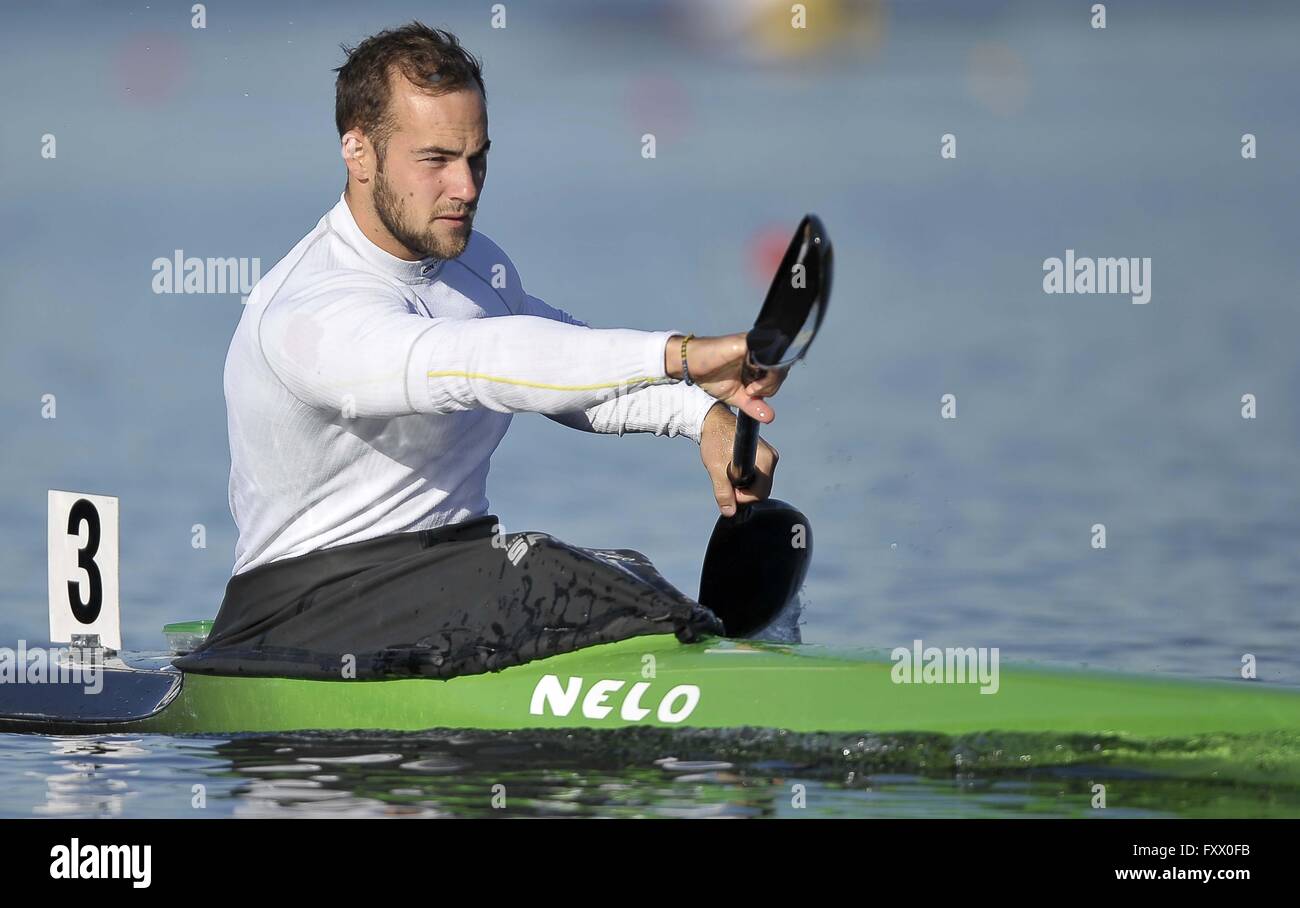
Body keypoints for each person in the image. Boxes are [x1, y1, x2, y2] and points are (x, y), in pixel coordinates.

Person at [176, 22, 784, 681]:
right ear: (358, 153)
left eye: (478, 158)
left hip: (451, 576)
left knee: (624, 572)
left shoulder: (476, 268)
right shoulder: (309, 311)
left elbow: (563, 364)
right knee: (563, 578)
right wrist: (686, 354)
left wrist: (703, 416)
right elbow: (483, 362)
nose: (466, 189)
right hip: (311, 609)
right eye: (435, 160)